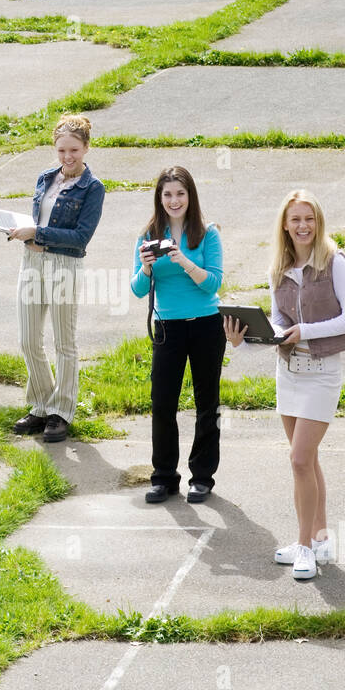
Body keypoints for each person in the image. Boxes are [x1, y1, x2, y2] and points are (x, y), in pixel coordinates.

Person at [223, 190, 345, 580]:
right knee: (308, 461)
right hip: (289, 372)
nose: (303, 226)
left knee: (299, 460)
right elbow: (278, 326)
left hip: (322, 372)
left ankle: (304, 549)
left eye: (310, 219)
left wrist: (306, 331)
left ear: (318, 224)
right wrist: (242, 342)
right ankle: (320, 539)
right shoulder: (277, 269)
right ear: (285, 224)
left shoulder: (334, 261)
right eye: (296, 219)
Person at [0, 114, 105, 443]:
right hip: (32, 261)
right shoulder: (45, 177)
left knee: (63, 343)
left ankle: (61, 411)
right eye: (61, 151)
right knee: (28, 340)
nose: (67, 157)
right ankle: (41, 404)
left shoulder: (92, 188)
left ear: (86, 147)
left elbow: (81, 236)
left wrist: (37, 232)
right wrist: (12, 226)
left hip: (64, 265)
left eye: (73, 150)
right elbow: (37, 219)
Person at [130, 166, 224, 504]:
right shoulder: (148, 234)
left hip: (206, 324)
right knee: (163, 403)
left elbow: (213, 282)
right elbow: (138, 289)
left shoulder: (207, 233)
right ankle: (164, 477)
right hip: (167, 327)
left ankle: (202, 477)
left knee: (206, 403)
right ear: (159, 198)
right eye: (167, 194)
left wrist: (181, 259)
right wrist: (146, 267)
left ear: (190, 196)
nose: (174, 200)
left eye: (180, 194)